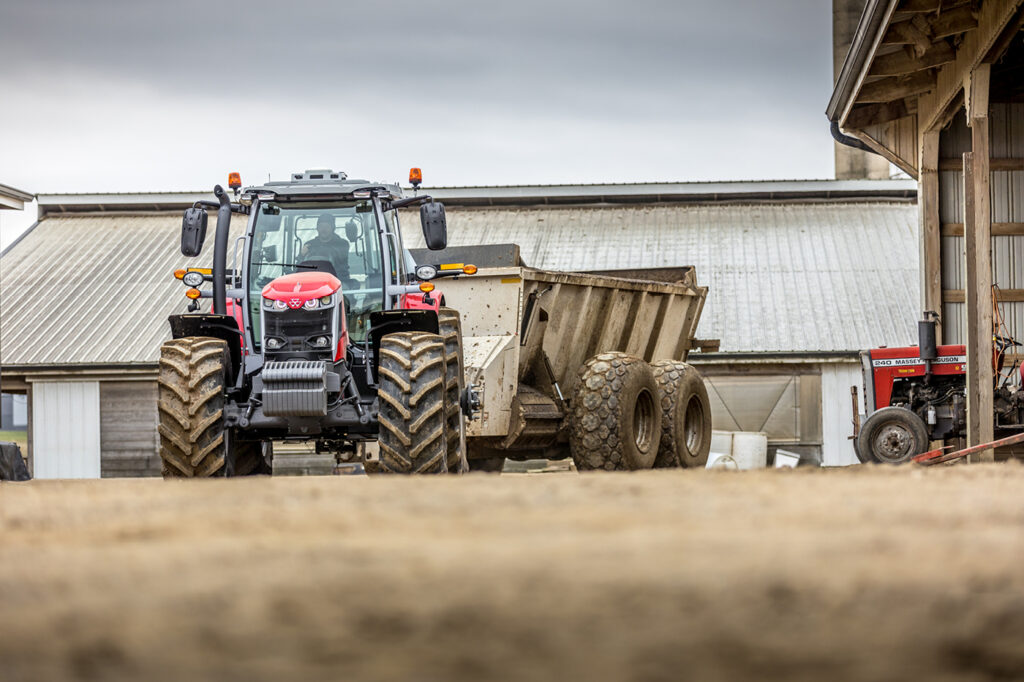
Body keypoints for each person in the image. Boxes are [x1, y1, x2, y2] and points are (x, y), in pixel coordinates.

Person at [301, 213, 349, 278]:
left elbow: (340, 261)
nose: (324, 229)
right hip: (312, 279)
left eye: (327, 226)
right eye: (321, 226)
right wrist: (301, 255)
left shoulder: (342, 244)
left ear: (333, 228)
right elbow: (300, 267)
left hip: (337, 279)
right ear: (317, 228)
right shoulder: (310, 244)